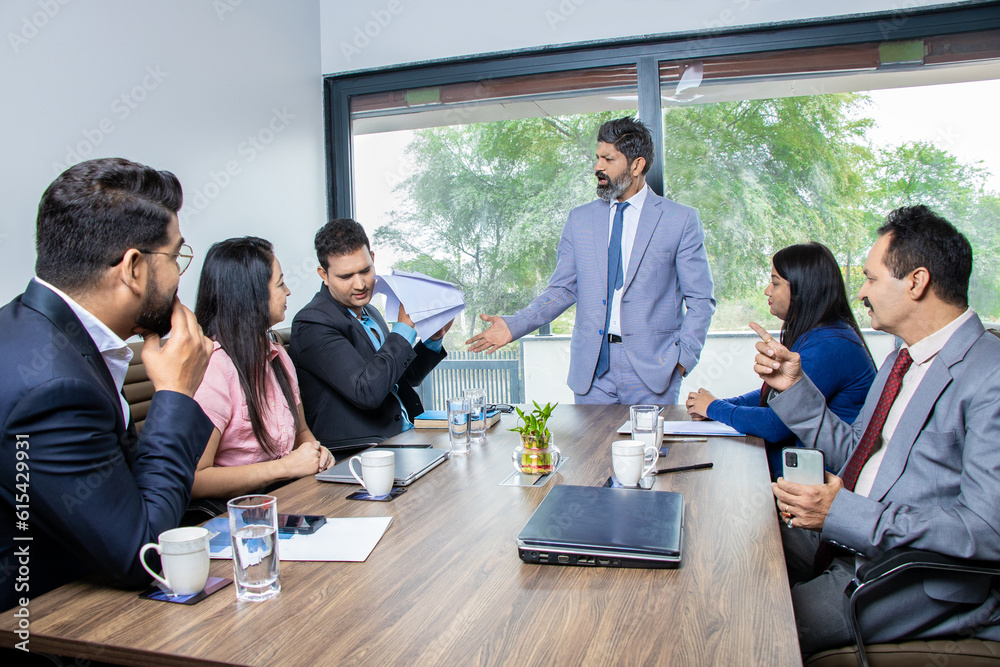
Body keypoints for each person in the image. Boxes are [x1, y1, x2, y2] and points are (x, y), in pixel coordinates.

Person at [753, 206, 1000, 656]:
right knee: (736, 535)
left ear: (916, 282)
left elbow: (984, 530)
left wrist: (844, 514)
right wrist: (793, 387)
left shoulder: (991, 376)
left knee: (750, 623)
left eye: (870, 278)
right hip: (848, 537)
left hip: (907, 576)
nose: (861, 292)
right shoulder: (901, 360)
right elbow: (858, 451)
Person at [0, 158, 214, 611]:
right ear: (134, 268)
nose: (180, 275)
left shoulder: (37, 330)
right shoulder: (52, 387)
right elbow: (145, 553)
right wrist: (175, 395)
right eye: (176, 257)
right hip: (45, 626)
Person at [466, 116, 715, 405]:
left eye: (608, 159)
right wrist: (514, 325)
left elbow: (701, 300)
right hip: (593, 371)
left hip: (654, 371)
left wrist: (682, 360)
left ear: (637, 165)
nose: (598, 167)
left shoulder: (679, 220)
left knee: (650, 451)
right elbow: (563, 289)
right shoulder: (580, 219)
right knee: (593, 452)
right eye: (597, 158)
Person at [685, 242, 875, 476]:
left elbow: (775, 424)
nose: (767, 290)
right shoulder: (818, 333)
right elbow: (774, 396)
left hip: (814, 484)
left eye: (775, 283)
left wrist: (715, 407)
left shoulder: (830, 344)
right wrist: (719, 404)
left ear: (803, 289)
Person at [289, 219, 452, 454]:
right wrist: (404, 327)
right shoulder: (313, 322)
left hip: (407, 438)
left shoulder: (370, 312)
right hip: (363, 453)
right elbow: (367, 392)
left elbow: (401, 378)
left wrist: (433, 338)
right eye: (346, 277)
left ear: (373, 258)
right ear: (323, 274)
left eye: (366, 270)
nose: (360, 284)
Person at [191, 237, 333, 502]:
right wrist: (284, 468)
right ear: (250, 294)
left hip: (288, 497)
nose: (288, 291)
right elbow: (194, 479)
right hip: (238, 516)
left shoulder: (277, 355)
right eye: (280, 284)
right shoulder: (214, 368)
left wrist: (316, 452)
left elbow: (302, 433)